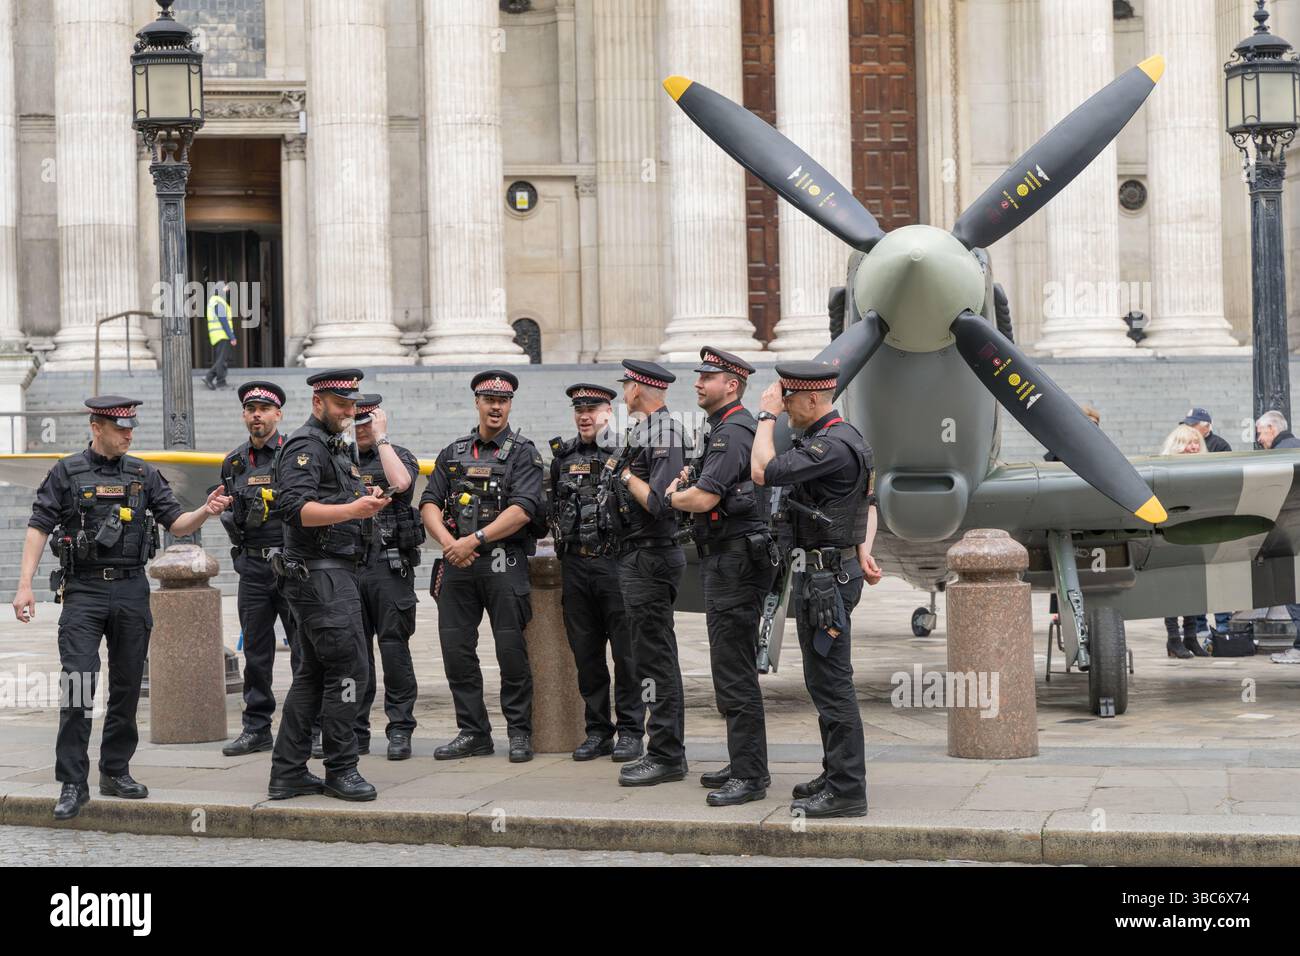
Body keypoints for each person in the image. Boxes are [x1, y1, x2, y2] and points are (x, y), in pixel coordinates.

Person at [10, 396, 232, 820]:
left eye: (132, 428)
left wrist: (205, 509)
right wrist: (24, 587)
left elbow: (176, 524)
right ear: (97, 427)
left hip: (131, 589)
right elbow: (39, 526)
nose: (129, 434)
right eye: (120, 428)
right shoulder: (66, 471)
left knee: (128, 686)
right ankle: (73, 782)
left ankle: (115, 770)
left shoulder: (144, 474)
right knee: (77, 684)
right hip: (83, 592)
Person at [751, 362, 882, 819]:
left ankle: (848, 789)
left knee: (832, 685)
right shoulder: (844, 438)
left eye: (787, 401)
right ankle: (834, 773)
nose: (783, 408)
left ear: (811, 400)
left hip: (826, 581)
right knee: (822, 681)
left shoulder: (831, 446)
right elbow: (867, 504)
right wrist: (861, 550)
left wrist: (764, 418)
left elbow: (763, 470)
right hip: (829, 575)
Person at [267, 370, 389, 802]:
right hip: (320, 575)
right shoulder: (306, 445)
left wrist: (359, 505)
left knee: (313, 674)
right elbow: (293, 509)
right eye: (341, 404)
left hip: (334, 573)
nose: (349, 412)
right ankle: (342, 768)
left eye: (352, 404)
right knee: (349, 671)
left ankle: (288, 772)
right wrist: (354, 510)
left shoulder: (337, 447)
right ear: (318, 403)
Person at [663, 347, 775, 807]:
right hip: (726, 560)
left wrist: (673, 496)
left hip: (735, 563)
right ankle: (742, 759)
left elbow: (706, 499)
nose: (696, 383)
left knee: (734, 671)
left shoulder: (732, 431)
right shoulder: (723, 430)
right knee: (729, 666)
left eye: (706, 377)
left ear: (731, 384)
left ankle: (749, 776)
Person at [420, 370, 545, 763]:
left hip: (501, 563)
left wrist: (474, 540)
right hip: (458, 565)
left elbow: (523, 509)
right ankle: (473, 732)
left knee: (511, 652)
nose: (496, 407)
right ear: (477, 402)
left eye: (503, 401)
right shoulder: (453, 452)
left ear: (510, 405)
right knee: (456, 651)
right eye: (489, 399)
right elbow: (428, 502)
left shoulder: (524, 452)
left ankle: (520, 733)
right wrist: (448, 543)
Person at [548, 383, 644, 763]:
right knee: (587, 655)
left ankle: (632, 732)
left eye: (593, 408)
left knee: (627, 655)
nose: (585, 415)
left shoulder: (626, 454)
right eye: (579, 409)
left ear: (609, 412)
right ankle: (598, 731)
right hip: (575, 566)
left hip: (615, 565)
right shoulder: (562, 458)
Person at [605, 359, 690, 787]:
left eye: (626, 385)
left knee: (655, 659)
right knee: (649, 657)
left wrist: (623, 475)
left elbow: (660, 501)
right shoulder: (648, 430)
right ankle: (666, 750)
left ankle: (666, 754)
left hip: (652, 557)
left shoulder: (666, 432)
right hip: (638, 556)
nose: (624, 391)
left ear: (637, 388)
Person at [220, 380, 307, 756]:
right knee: (256, 653)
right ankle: (256, 728)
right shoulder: (235, 462)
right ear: (244, 415)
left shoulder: (294, 454)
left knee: (305, 650)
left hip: (291, 563)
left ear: (278, 414)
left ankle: (309, 727)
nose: (257, 415)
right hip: (254, 568)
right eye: (250, 409)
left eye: (264, 409)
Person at [352, 393, 423, 760]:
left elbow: (404, 484)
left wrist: (382, 439)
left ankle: (400, 728)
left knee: (394, 649)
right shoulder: (340, 459)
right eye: (357, 421)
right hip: (349, 568)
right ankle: (356, 730)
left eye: (368, 420)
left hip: (388, 566)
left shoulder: (397, 454)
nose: (361, 427)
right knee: (355, 655)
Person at [1180, 408, 1233, 638]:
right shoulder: (1184, 446)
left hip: (1214, 519)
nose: (1190, 429)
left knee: (1218, 577)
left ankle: (1222, 627)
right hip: (1194, 522)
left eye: (1194, 425)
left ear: (1206, 425)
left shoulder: (1220, 446)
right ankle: (1198, 627)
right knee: (1196, 578)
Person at [1157, 424, 1208, 658]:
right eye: (1189, 442)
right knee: (1173, 588)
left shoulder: (1204, 467)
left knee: (1195, 588)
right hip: (1173, 531)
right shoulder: (1166, 469)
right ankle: (1173, 639)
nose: (1194, 446)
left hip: (1197, 531)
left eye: (1196, 442)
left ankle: (1191, 637)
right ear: (1178, 445)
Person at [1258, 410, 1300, 663]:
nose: (1259, 439)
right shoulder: (1296, 446)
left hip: (1289, 535)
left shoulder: (1280, 453)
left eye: (1260, 433)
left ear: (1272, 430)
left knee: (1292, 592)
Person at [203, 283, 237, 391]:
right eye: (225, 289)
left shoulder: (214, 302)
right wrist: (231, 336)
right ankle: (220, 382)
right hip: (222, 335)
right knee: (222, 360)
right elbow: (223, 321)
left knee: (222, 359)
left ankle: (209, 377)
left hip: (218, 335)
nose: (227, 292)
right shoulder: (218, 302)